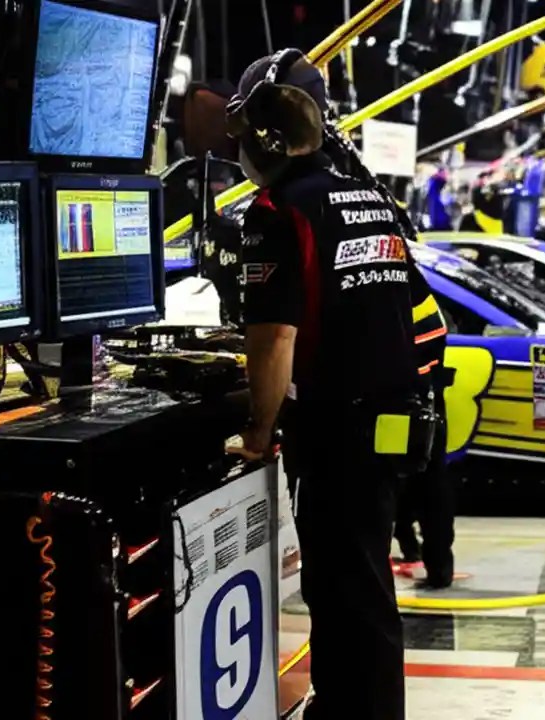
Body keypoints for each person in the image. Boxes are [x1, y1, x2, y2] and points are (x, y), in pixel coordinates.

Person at [224, 49, 432, 720]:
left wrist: (257, 433)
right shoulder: (366, 196)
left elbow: (273, 337)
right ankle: (345, 703)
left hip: (340, 431)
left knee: (347, 588)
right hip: (392, 418)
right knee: (357, 585)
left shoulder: (280, 209)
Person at [392, 287, 457, 588]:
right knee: (427, 487)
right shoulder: (413, 284)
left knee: (412, 485)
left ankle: (433, 562)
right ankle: (428, 560)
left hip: (406, 405)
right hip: (422, 403)